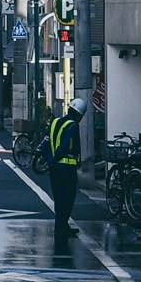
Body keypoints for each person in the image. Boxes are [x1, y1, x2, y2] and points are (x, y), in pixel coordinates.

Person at [44, 93, 86, 258]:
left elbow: (46, 142)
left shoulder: (55, 122)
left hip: (54, 168)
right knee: (67, 198)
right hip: (66, 168)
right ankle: (61, 228)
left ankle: (60, 226)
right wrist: (56, 158)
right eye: (81, 116)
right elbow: (65, 145)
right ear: (78, 114)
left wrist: (50, 160)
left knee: (58, 197)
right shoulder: (72, 125)